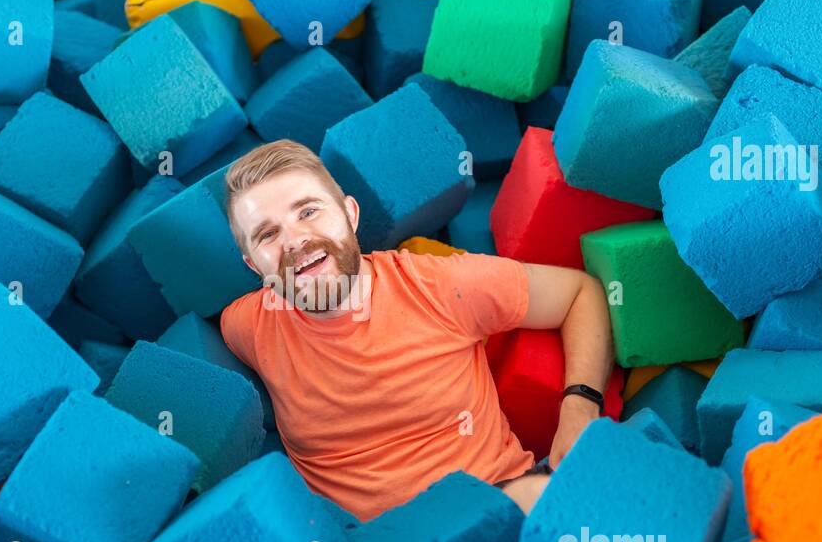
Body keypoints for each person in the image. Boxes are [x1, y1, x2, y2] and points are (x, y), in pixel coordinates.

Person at [219, 139, 615, 522]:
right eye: (267, 234)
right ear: (255, 267)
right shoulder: (246, 326)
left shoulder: (441, 286)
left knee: (545, 501)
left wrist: (580, 406)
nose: (294, 240)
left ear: (350, 214)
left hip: (498, 503)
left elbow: (581, 292)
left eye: (307, 211)